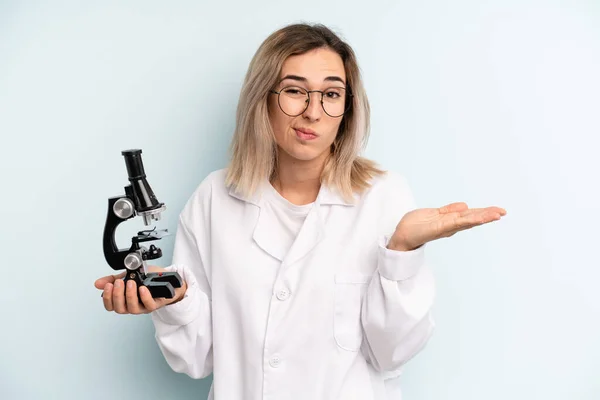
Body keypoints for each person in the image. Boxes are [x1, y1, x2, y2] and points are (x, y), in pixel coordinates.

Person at [94, 23, 506, 400]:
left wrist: (400, 253)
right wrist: (177, 302)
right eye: (294, 90)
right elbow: (196, 360)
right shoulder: (214, 199)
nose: (313, 111)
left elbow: (393, 352)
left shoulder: (384, 196)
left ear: (346, 109)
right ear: (263, 98)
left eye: (331, 94)